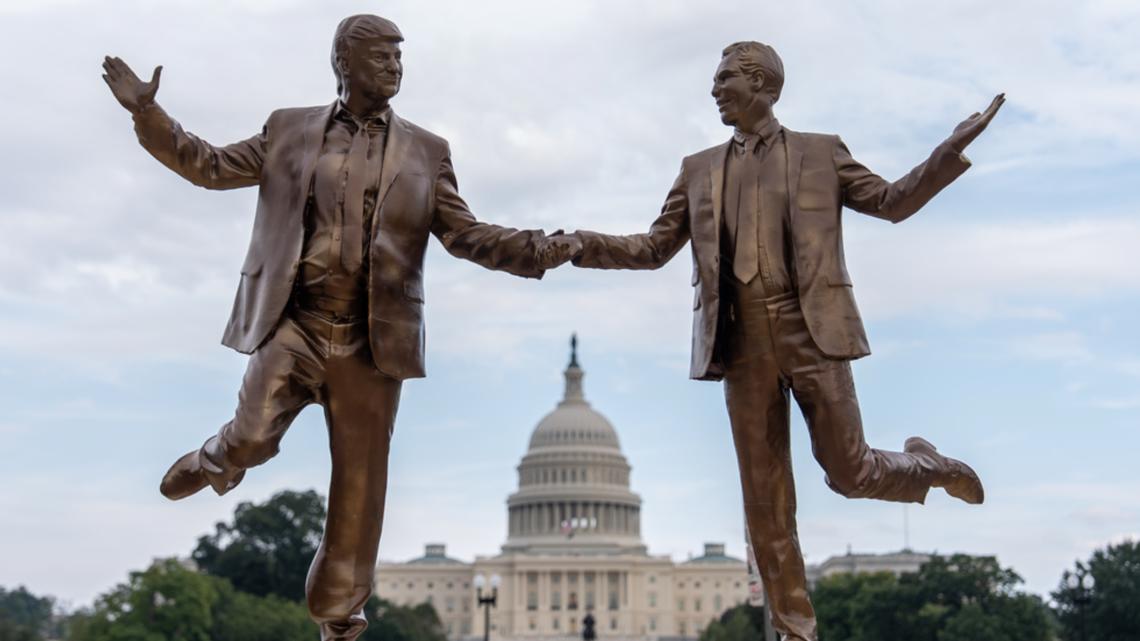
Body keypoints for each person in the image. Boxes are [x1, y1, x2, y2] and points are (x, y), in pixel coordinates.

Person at [102, 15, 552, 641]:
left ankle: (341, 617)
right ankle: (217, 459)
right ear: (345, 62)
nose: (396, 67)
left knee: (360, 492)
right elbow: (207, 165)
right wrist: (150, 116)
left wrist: (538, 249)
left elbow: (465, 234)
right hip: (295, 323)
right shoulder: (289, 130)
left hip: (372, 343)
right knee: (254, 438)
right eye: (383, 56)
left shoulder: (427, 150)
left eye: (401, 57)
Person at [540, 41, 1003, 641]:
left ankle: (926, 465)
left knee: (849, 471)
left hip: (811, 330)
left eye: (724, 78)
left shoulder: (820, 152)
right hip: (741, 342)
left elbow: (892, 203)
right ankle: (795, 632)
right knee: (766, 505)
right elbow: (654, 248)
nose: (713, 90)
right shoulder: (698, 168)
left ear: (762, 84)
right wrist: (581, 243)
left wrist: (946, 153)